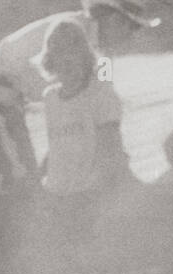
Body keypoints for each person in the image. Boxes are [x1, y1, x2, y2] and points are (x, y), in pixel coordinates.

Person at [0, 0, 158, 213]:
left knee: (26, 173)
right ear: (114, 19)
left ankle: (35, 215)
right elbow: (70, 88)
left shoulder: (103, 52)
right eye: (132, 27)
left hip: (15, 98)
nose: (132, 36)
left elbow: (103, 92)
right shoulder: (69, 32)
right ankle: (11, 228)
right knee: (15, 177)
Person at [37, 19, 131, 198]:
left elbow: (111, 149)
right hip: (56, 194)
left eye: (73, 51)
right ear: (50, 61)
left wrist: (92, 193)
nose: (66, 59)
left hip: (88, 195)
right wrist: (36, 180)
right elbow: (58, 146)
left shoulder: (100, 93)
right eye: (58, 52)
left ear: (85, 56)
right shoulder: (49, 97)